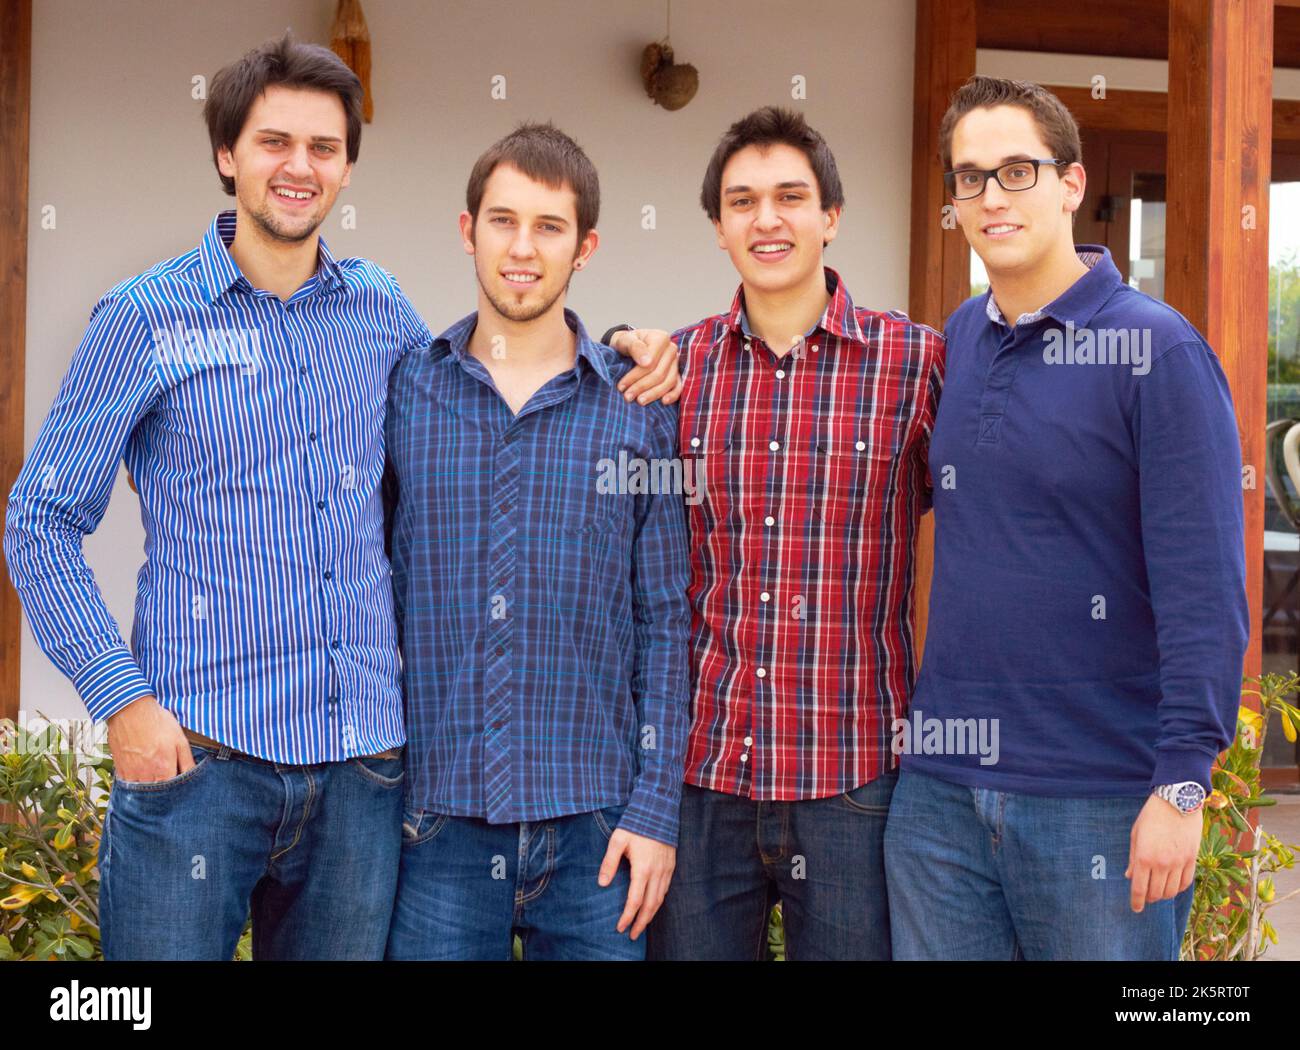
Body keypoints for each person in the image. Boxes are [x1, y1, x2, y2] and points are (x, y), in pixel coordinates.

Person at [4, 32, 431, 960]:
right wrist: (123, 704)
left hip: (361, 773)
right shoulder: (144, 316)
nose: (299, 166)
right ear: (227, 155)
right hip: (198, 763)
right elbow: (39, 520)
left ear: (348, 169)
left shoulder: (383, 311)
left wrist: (628, 352)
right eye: (274, 142)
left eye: (323, 148)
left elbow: (469, 430)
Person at [883, 75, 1248, 960]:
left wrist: (1183, 788)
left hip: (1099, 797)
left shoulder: (1158, 352)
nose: (992, 197)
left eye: (1018, 171)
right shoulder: (960, 339)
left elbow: (1206, 594)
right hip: (939, 792)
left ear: (1071, 184)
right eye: (970, 178)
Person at [605, 107, 945, 959]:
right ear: (718, 228)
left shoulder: (916, 364)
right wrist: (614, 335)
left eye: (791, 197)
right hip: (703, 780)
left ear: (830, 216)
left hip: (851, 780)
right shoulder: (675, 369)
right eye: (742, 201)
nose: (767, 219)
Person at [383, 123, 691, 961]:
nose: (523, 249)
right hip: (434, 823)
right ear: (468, 229)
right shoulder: (405, 390)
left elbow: (667, 621)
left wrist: (655, 810)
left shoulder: (639, 408)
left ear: (584, 246)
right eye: (503, 221)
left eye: (549, 228)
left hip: (598, 831)